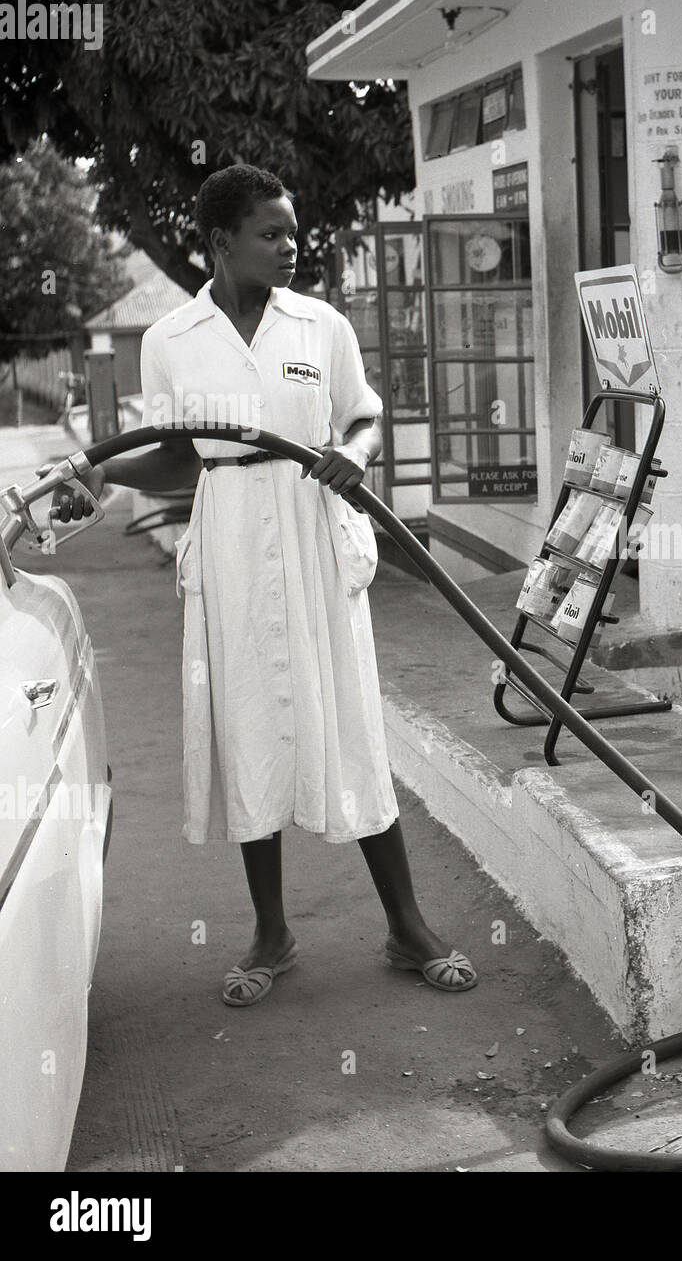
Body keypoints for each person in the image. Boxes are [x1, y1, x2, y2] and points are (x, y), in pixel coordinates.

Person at [55, 164, 476, 1006]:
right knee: (248, 724)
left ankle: (406, 926)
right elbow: (179, 450)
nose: (292, 248)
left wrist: (355, 454)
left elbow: (365, 412)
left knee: (350, 720)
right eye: (271, 234)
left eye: (293, 232)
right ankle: (271, 933)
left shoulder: (318, 325)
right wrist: (101, 476)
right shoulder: (172, 338)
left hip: (314, 526)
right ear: (220, 241)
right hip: (232, 541)